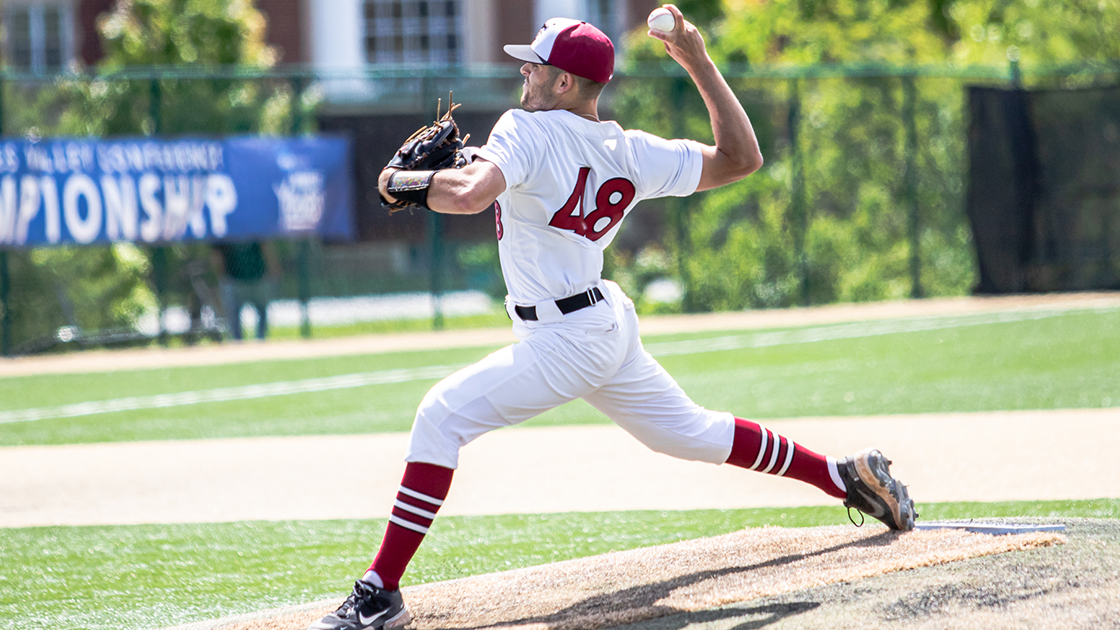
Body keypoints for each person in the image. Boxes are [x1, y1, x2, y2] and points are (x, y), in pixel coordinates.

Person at [310, 7, 916, 630]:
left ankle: (381, 589)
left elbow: (468, 197)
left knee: (439, 417)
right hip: (602, 324)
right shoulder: (627, 149)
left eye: (536, 65)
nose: (524, 70)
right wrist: (699, 62)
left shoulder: (524, 127)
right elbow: (741, 158)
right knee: (690, 433)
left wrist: (399, 181)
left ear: (565, 83)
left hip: (564, 338)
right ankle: (842, 476)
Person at [211, 241, 280, 341]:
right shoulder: (225, 231)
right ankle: (237, 344)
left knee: (262, 311)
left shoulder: (254, 227)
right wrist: (223, 277)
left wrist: (273, 268)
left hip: (257, 278)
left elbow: (265, 246)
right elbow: (217, 255)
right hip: (233, 280)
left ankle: (260, 342)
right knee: (233, 317)